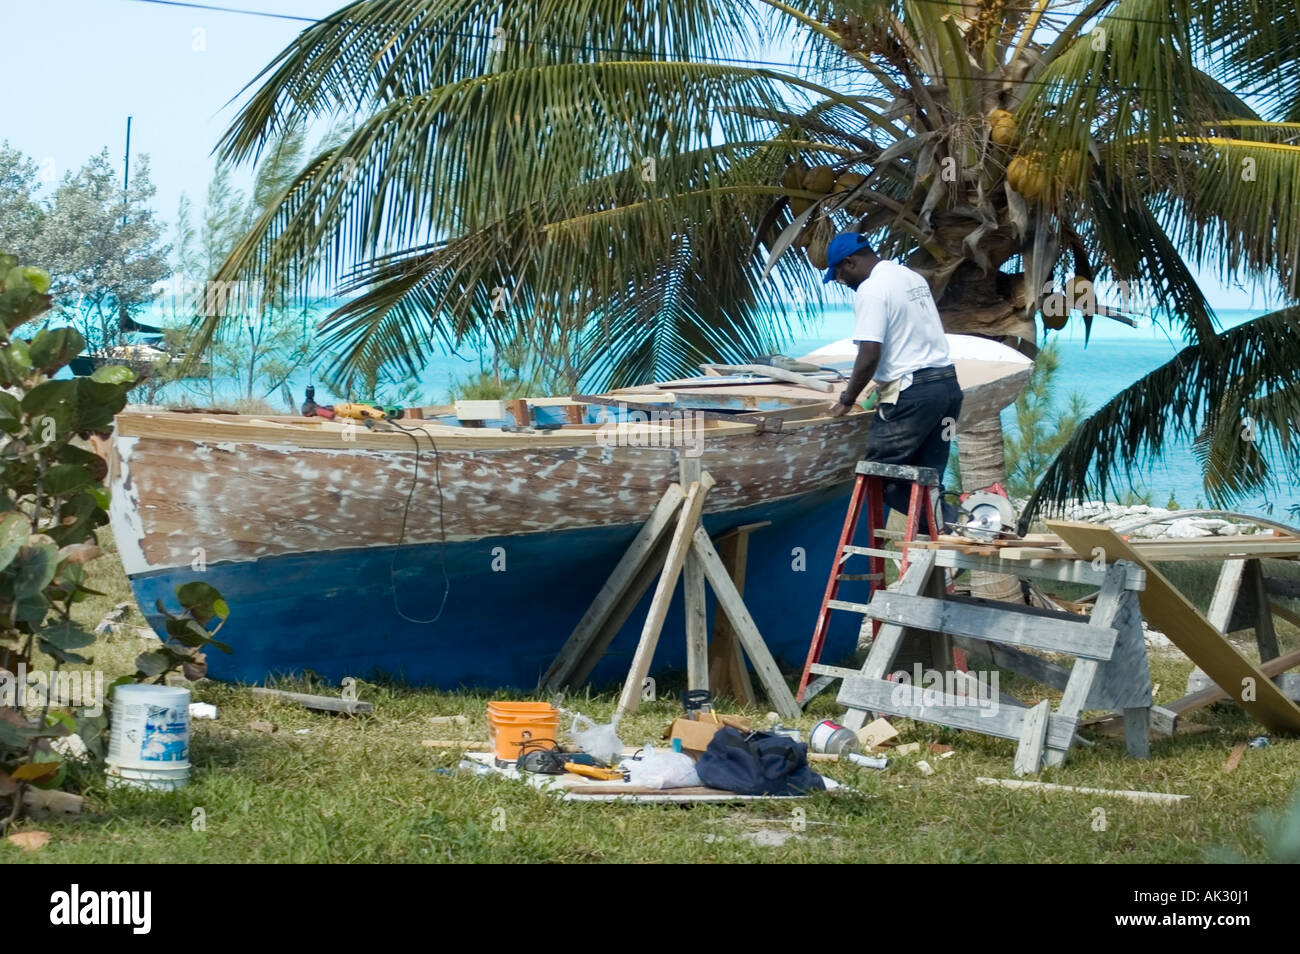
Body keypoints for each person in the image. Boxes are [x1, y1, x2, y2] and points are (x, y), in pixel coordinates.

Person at [822, 231, 962, 526]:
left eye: (838, 276)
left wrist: (847, 399)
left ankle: (949, 525)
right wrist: (884, 379)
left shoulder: (871, 290)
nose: (842, 283)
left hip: (913, 396)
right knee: (929, 480)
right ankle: (963, 528)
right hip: (946, 388)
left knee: (881, 477)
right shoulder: (910, 277)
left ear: (849, 263)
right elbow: (908, 338)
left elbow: (870, 353)